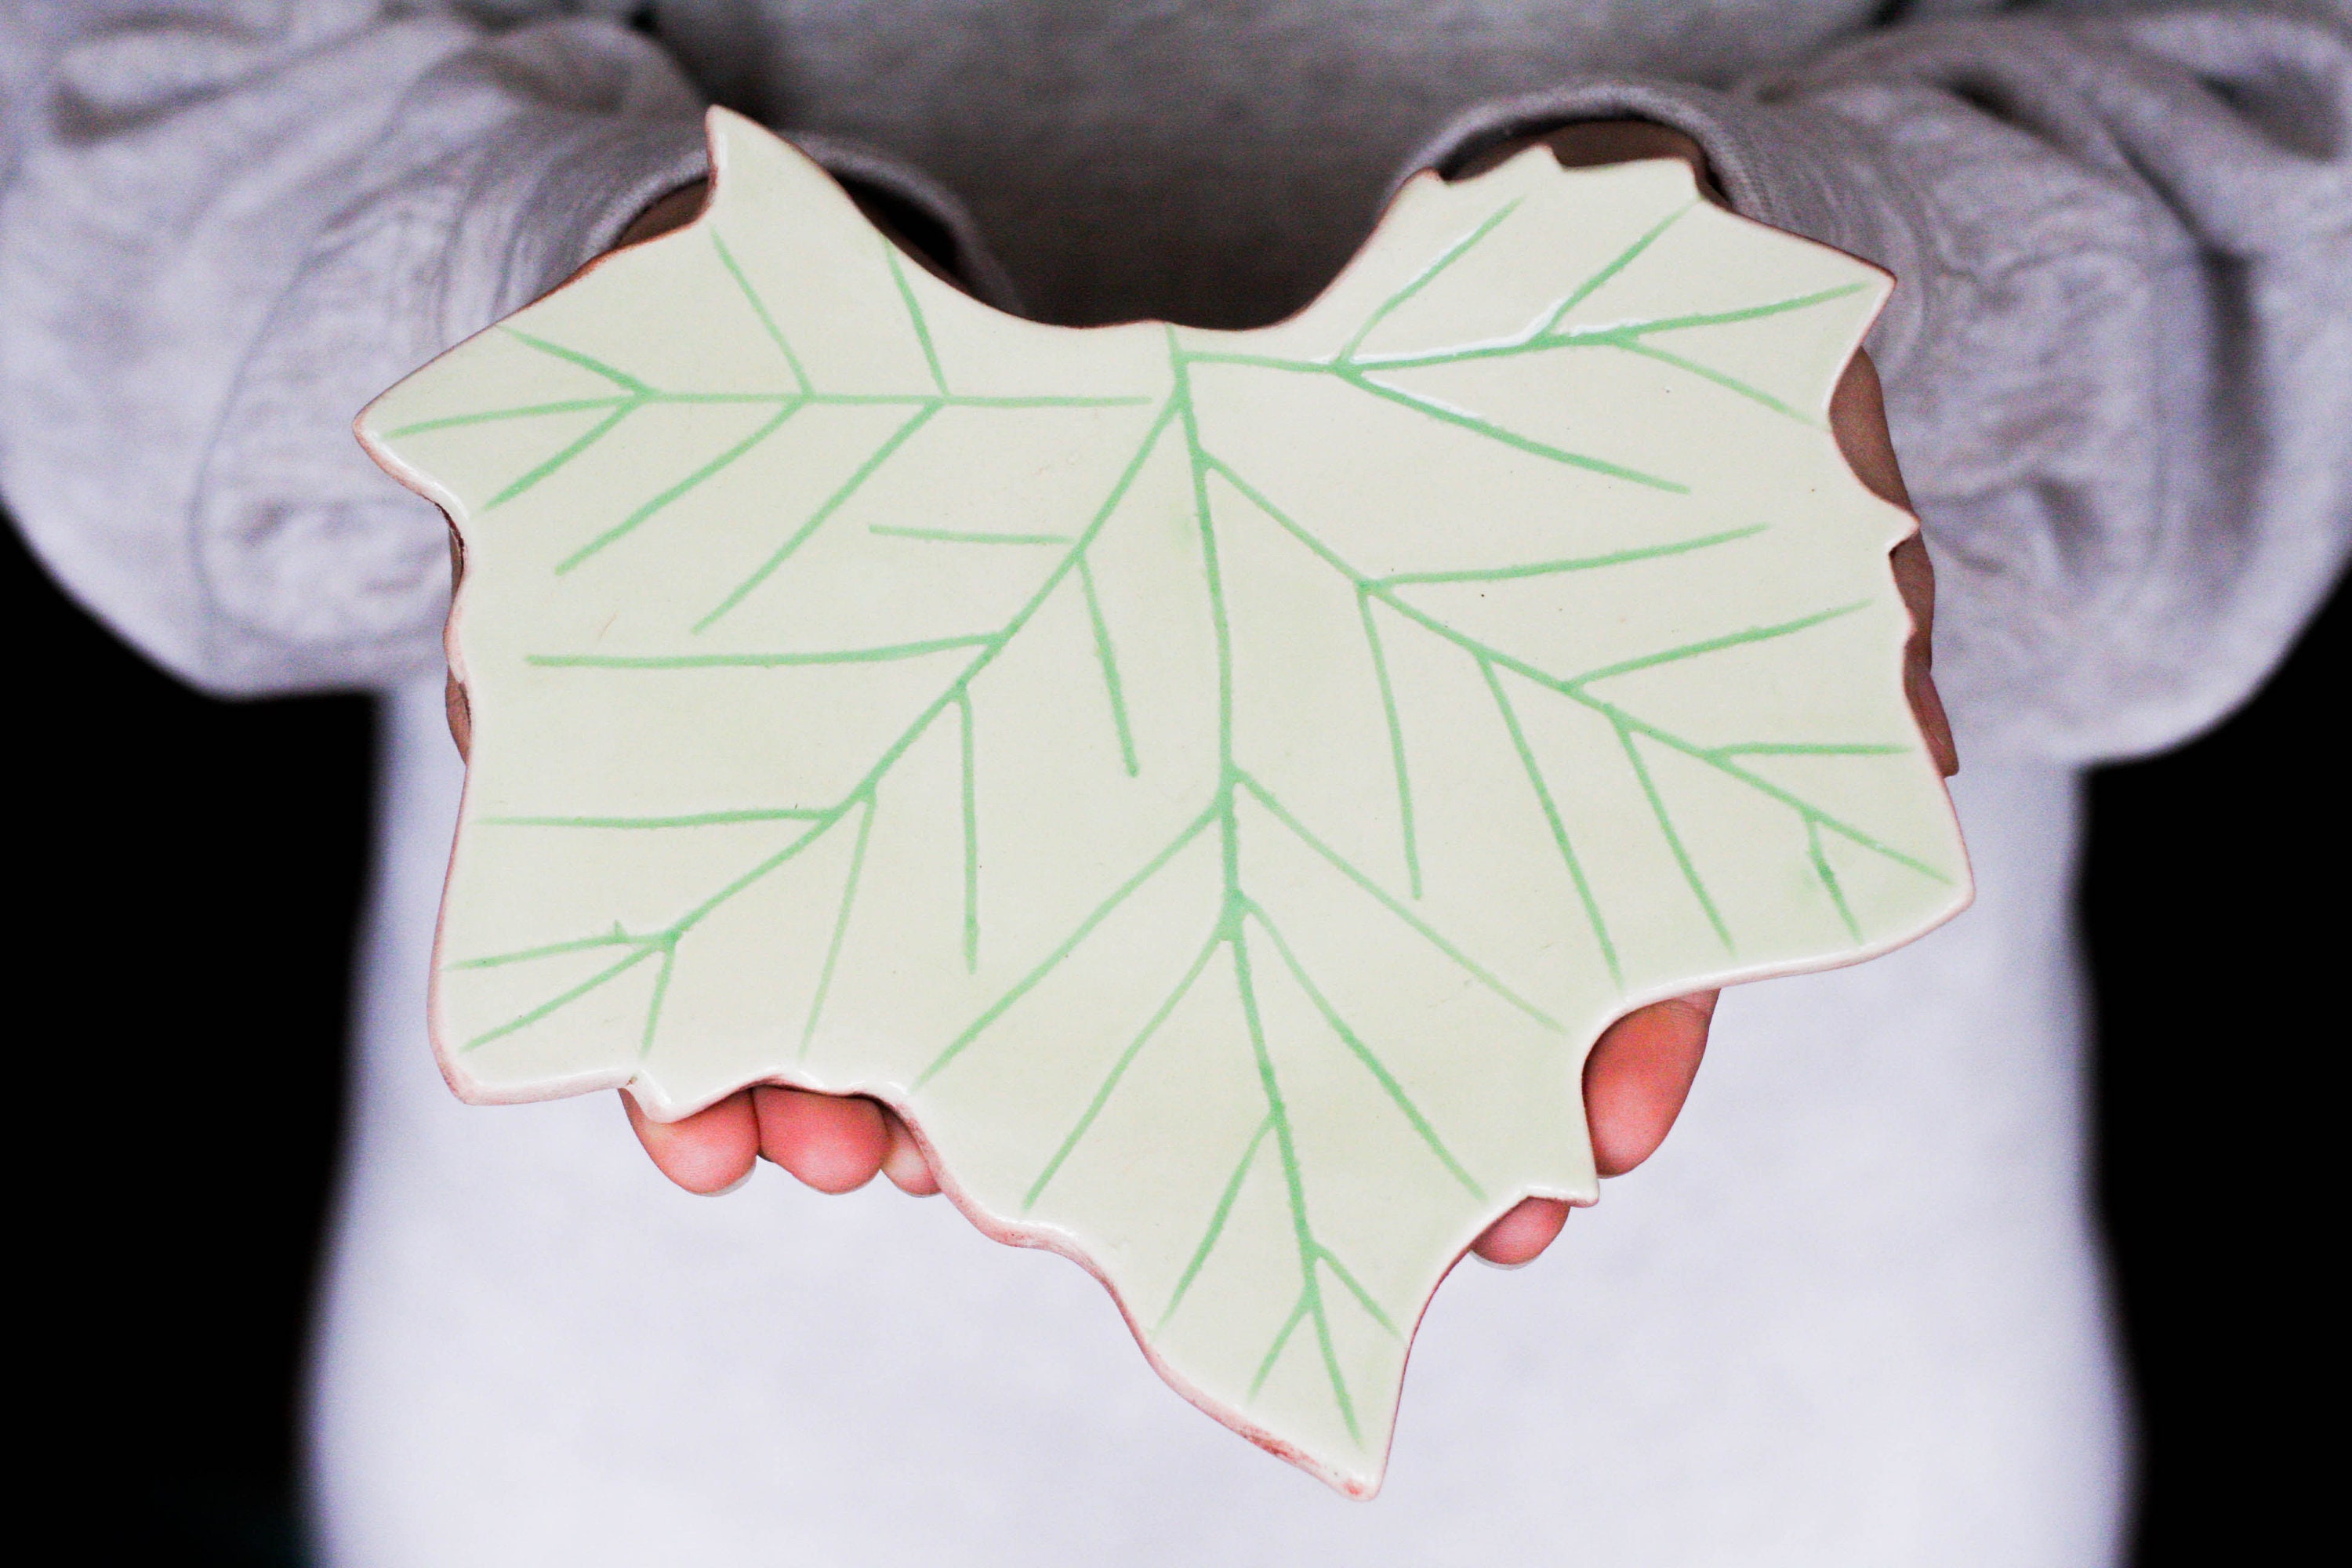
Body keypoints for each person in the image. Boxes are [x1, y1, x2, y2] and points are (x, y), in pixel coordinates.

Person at [4, 2, 2345, 1563]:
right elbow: (120, 104)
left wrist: (1826, 303)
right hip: (648, 1448)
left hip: (1804, 1431)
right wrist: (580, 292)